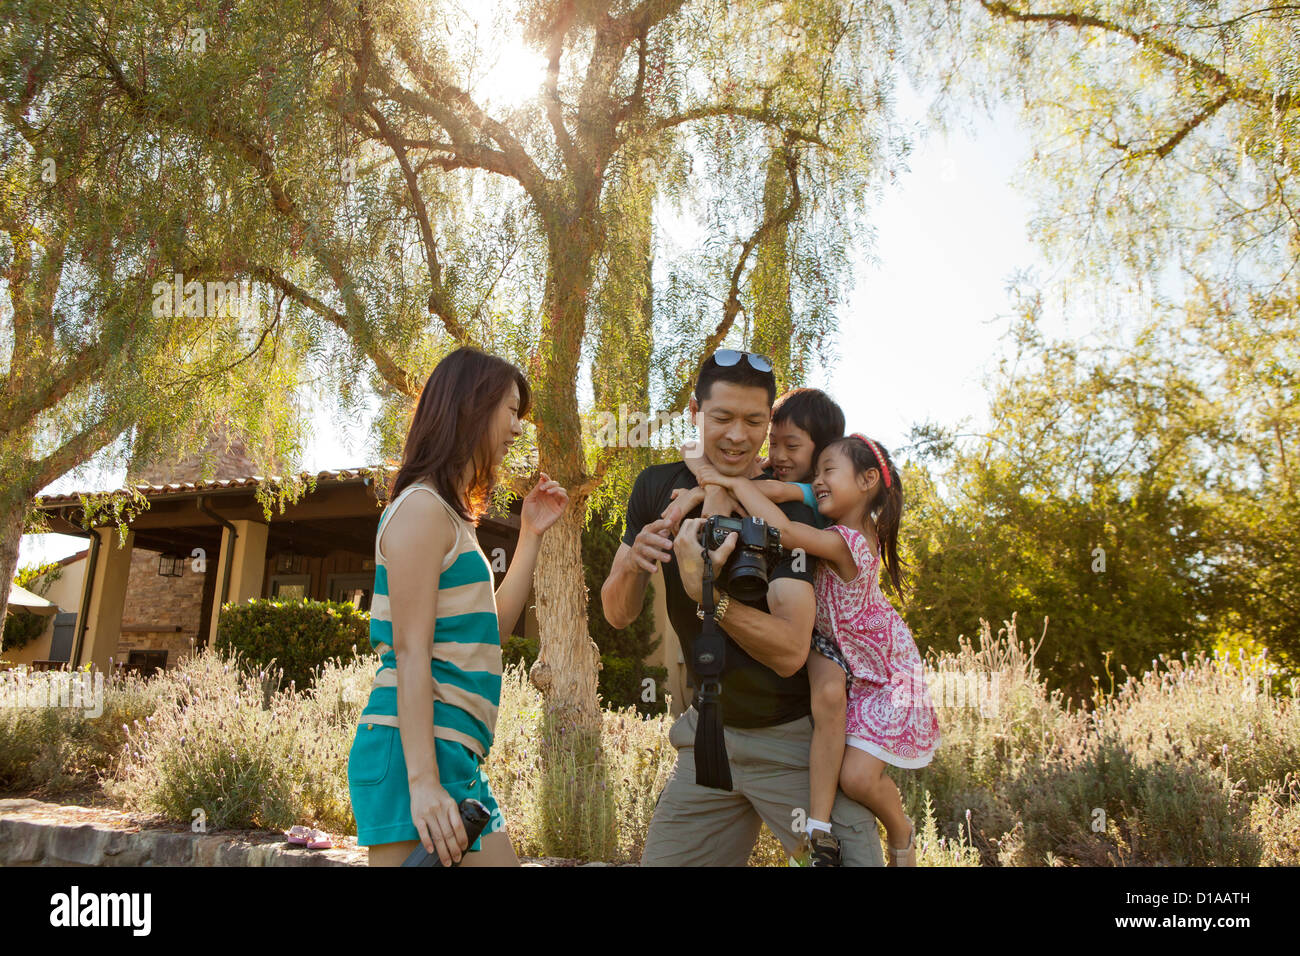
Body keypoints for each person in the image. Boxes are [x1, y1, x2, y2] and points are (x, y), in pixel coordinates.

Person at [602, 349, 886, 866]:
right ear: (695, 413)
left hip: (795, 744)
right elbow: (617, 614)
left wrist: (704, 594)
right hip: (709, 737)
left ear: (769, 421)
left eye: (754, 421)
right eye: (722, 418)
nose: (738, 435)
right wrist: (630, 566)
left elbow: (790, 651)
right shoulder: (655, 488)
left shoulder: (794, 510)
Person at [347, 346, 569, 867]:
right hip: (412, 754)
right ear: (472, 407)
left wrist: (531, 534)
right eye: (511, 411)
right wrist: (423, 782)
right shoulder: (422, 509)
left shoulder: (450, 518)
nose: (518, 429)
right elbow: (410, 651)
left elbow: (490, 633)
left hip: (453, 753)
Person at [692, 433, 941, 866]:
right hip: (837, 650)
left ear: (866, 481)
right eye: (818, 471)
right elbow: (786, 493)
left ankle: (901, 830)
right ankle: (818, 828)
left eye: (829, 471)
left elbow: (784, 531)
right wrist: (714, 486)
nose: (819, 481)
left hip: (883, 673)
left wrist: (724, 479)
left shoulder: (851, 541)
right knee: (827, 704)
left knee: (859, 778)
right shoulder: (832, 523)